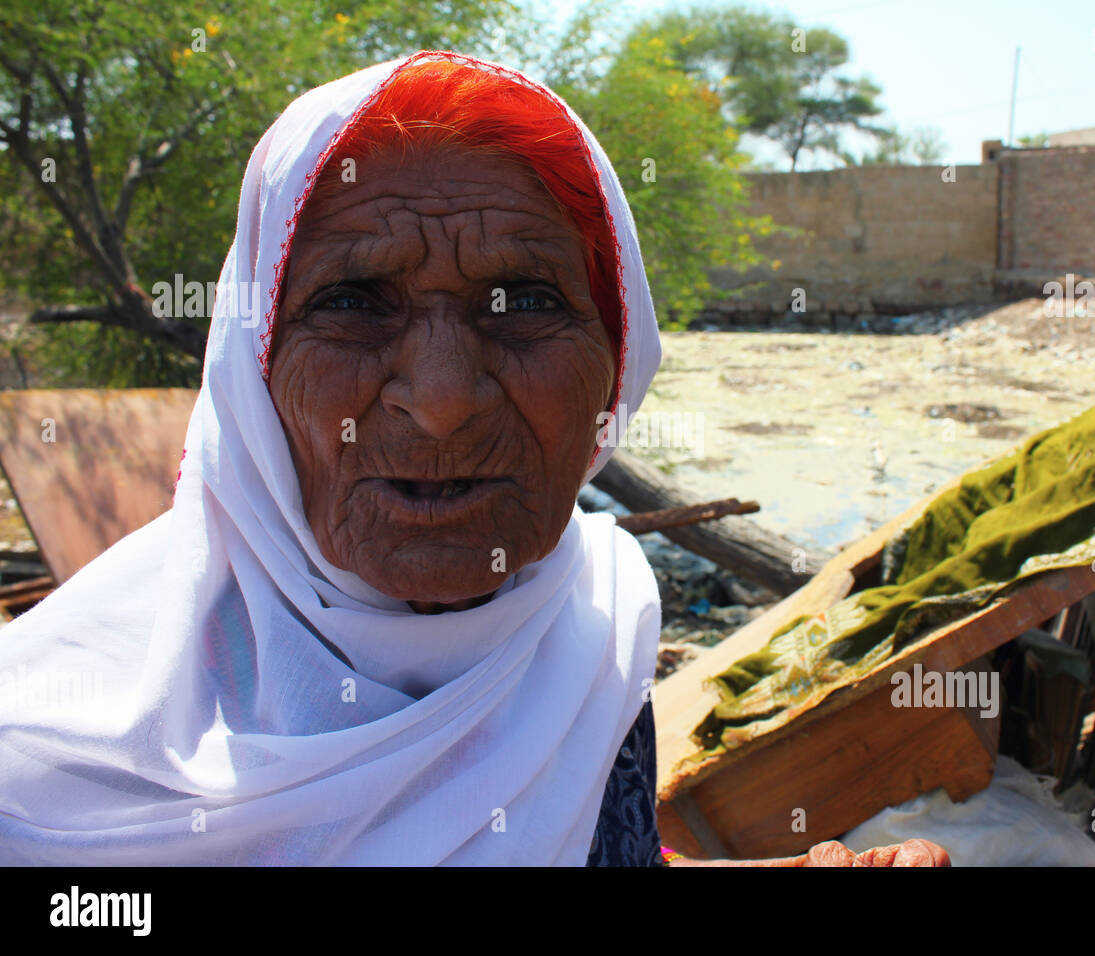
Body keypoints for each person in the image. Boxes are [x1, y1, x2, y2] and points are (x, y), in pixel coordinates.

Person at [0, 50, 947, 867]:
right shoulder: (45, 770)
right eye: (354, 303)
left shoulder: (587, 627)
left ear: (619, 362)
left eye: (524, 302)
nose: (444, 399)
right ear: (252, 371)